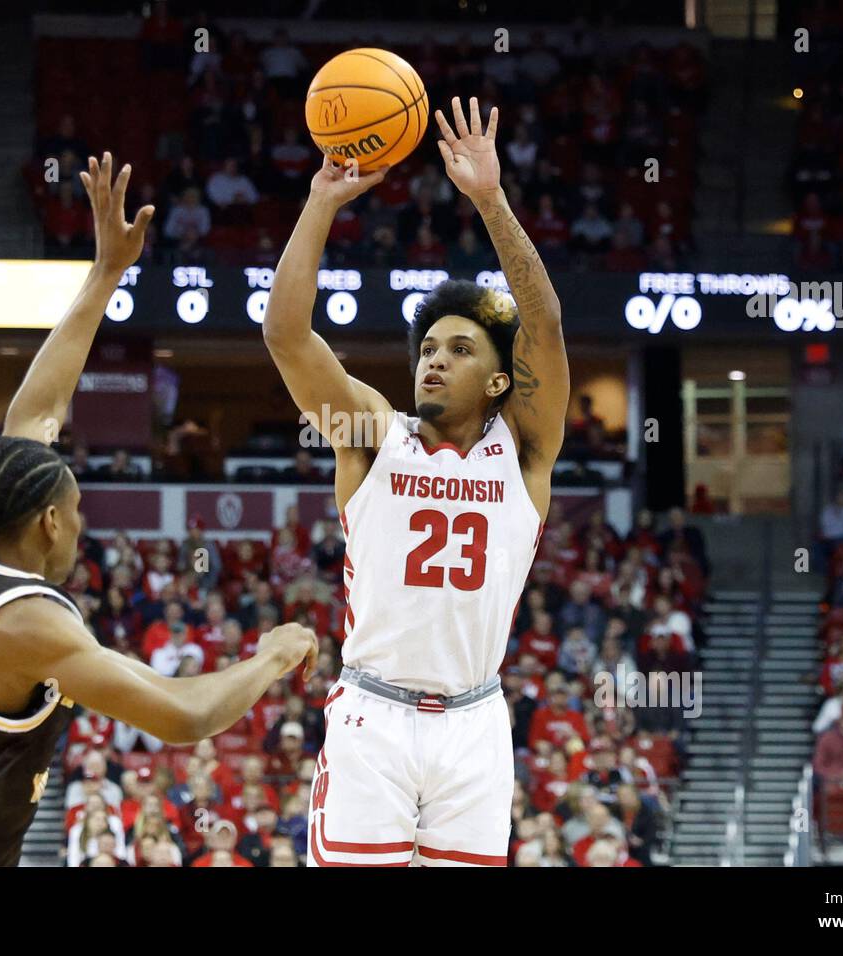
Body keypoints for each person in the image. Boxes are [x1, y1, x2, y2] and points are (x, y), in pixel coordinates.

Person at [0, 154, 318, 867]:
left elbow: (33, 417)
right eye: (76, 511)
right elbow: (185, 715)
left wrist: (107, 272)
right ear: (48, 521)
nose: (81, 524)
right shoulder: (29, 621)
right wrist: (273, 656)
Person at [264, 99, 569, 867]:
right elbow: (286, 335)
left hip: (475, 724)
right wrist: (321, 202)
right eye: (428, 347)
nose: (434, 358)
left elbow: (547, 326)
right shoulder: (374, 434)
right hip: (375, 718)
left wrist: (491, 200)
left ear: (501, 379)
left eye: (460, 349)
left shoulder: (525, 451)